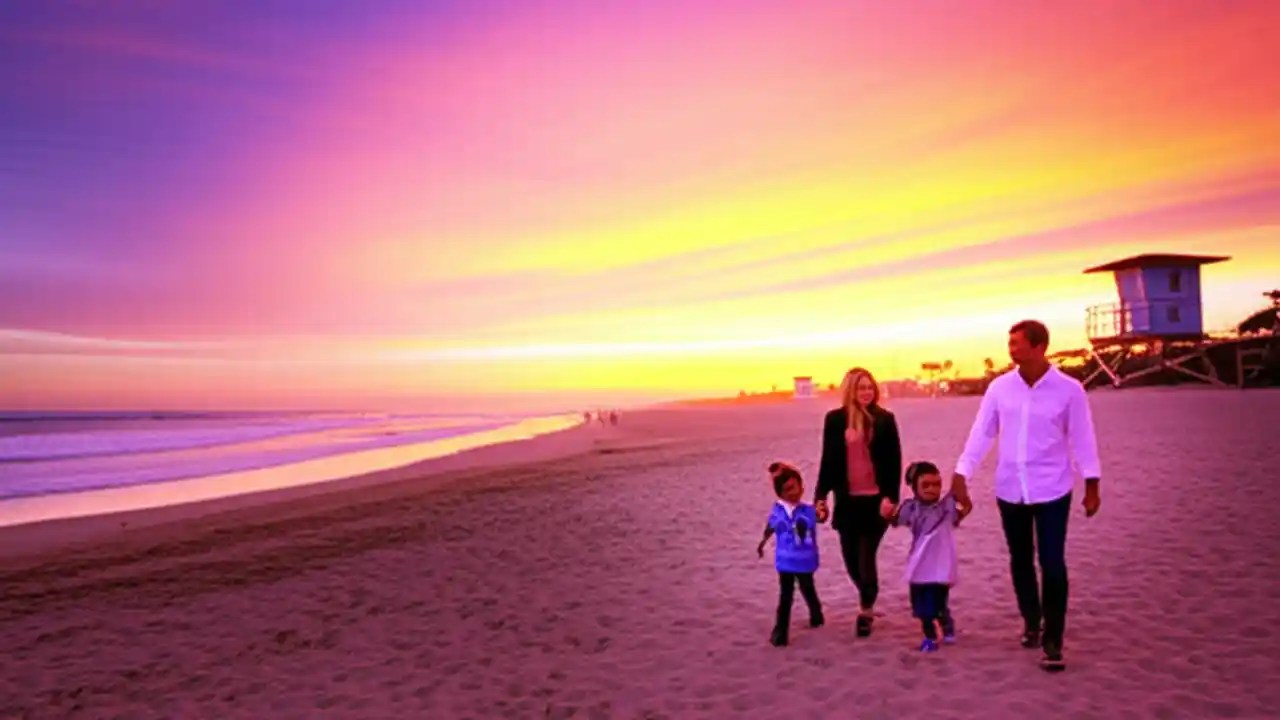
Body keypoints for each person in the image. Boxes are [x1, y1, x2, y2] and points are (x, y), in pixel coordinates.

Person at [951, 320, 1101, 672]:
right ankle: (1032, 622)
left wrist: (1092, 484)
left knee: (1052, 562)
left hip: (1053, 489)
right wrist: (962, 473)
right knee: (1020, 560)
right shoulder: (1000, 389)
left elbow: (1082, 438)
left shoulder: (1070, 390)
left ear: (1039, 347)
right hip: (1009, 489)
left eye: (1017, 343)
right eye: (1010, 342)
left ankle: (1054, 638)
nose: (1011, 348)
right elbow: (982, 433)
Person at [814, 367, 902, 638]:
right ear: (851, 391)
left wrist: (891, 498)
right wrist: (820, 497)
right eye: (861, 387)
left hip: (875, 502)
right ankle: (867, 594)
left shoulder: (885, 420)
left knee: (866, 557)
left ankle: (866, 610)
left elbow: (894, 462)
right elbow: (828, 461)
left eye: (870, 387)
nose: (867, 392)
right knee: (850, 560)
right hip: (847, 502)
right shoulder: (835, 420)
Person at [881, 461, 960, 653]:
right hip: (918, 565)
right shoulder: (911, 508)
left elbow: (962, 512)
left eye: (936, 484)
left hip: (940, 565)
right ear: (914, 487)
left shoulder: (946, 506)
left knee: (935, 605)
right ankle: (940, 623)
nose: (932, 489)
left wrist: (964, 500)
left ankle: (933, 635)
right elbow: (895, 520)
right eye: (925, 485)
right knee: (919, 605)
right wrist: (887, 513)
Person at [757, 462, 825, 647]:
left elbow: (820, 517)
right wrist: (762, 542)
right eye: (787, 489)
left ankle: (816, 614)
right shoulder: (778, 511)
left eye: (796, 487)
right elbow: (770, 526)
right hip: (786, 561)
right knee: (785, 596)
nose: (793, 492)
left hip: (804, 560)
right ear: (780, 493)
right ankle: (780, 632)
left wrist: (822, 511)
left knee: (807, 588)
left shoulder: (807, 510)